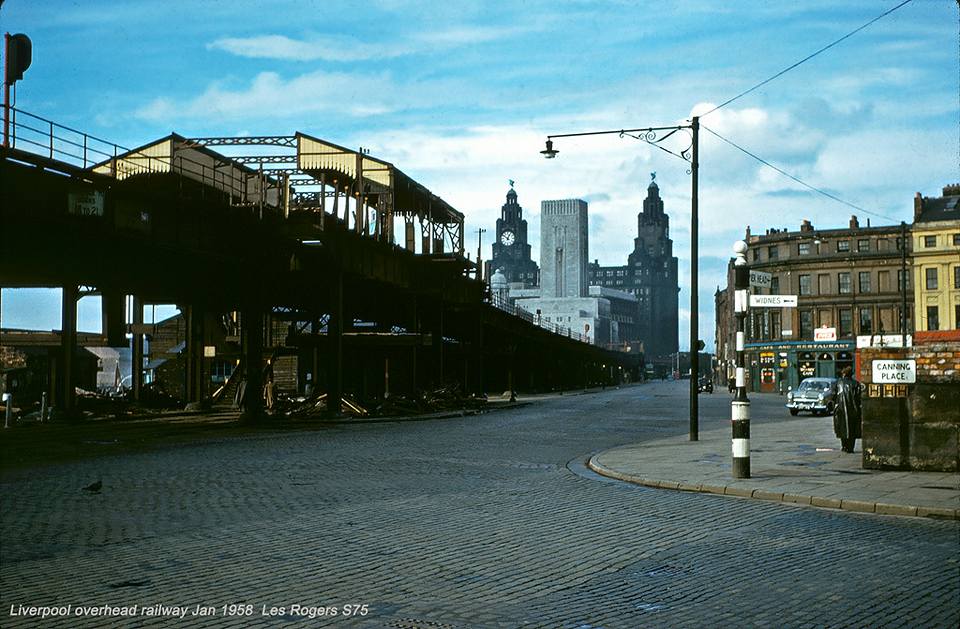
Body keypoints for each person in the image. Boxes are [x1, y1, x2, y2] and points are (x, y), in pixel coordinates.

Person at [833, 366, 862, 453]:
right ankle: (850, 447)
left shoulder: (838, 383)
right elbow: (858, 397)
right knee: (852, 429)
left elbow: (834, 396)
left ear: (844, 373)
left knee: (842, 428)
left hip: (840, 409)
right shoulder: (855, 383)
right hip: (853, 409)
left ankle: (844, 446)